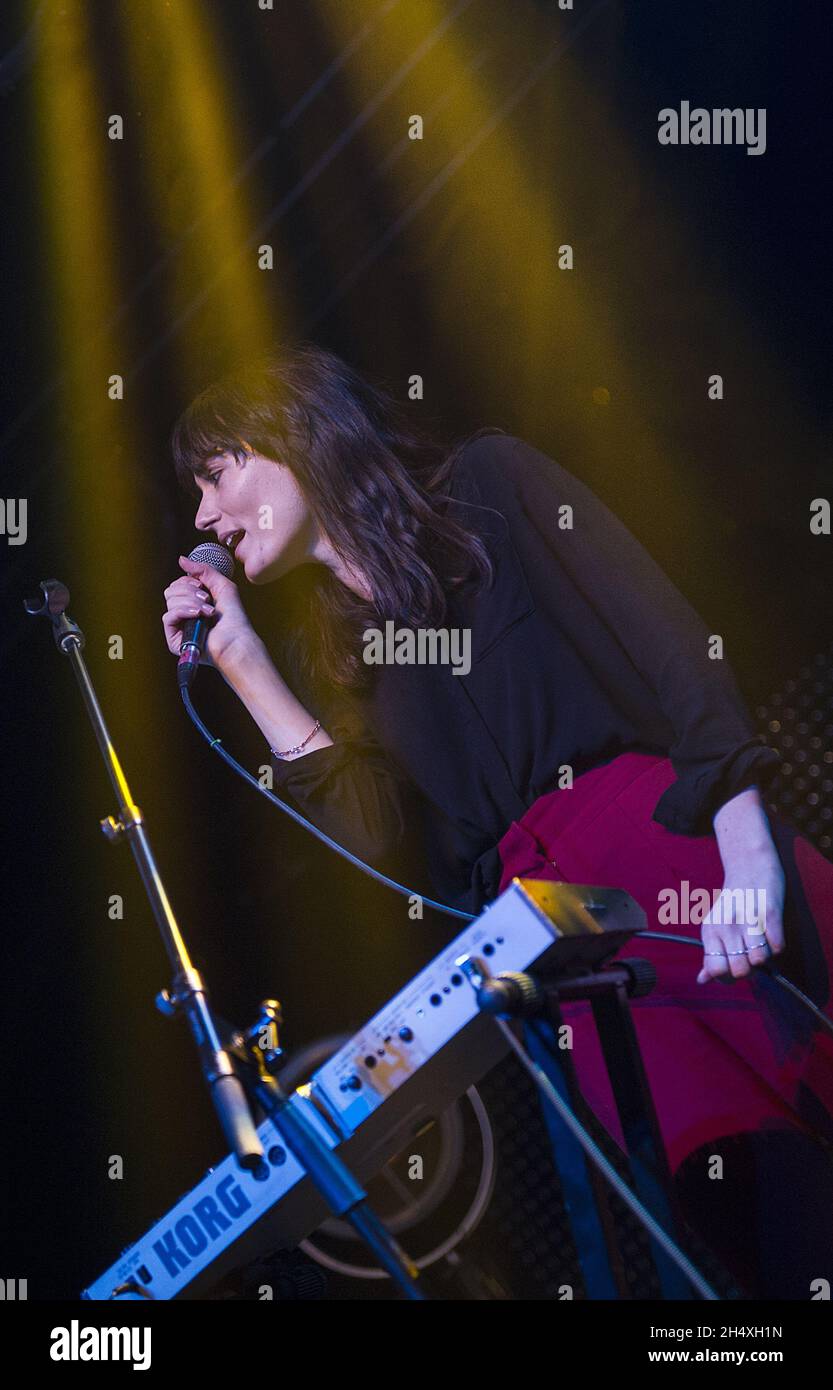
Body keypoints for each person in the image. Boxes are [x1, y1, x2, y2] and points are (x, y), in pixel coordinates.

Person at [162, 342, 833, 1297]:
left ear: (293, 434)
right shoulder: (335, 650)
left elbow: (672, 646)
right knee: (766, 1226)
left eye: (215, 476)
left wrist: (744, 850)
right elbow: (376, 838)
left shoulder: (488, 484)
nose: (201, 516)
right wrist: (243, 665)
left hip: (680, 858)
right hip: (563, 960)